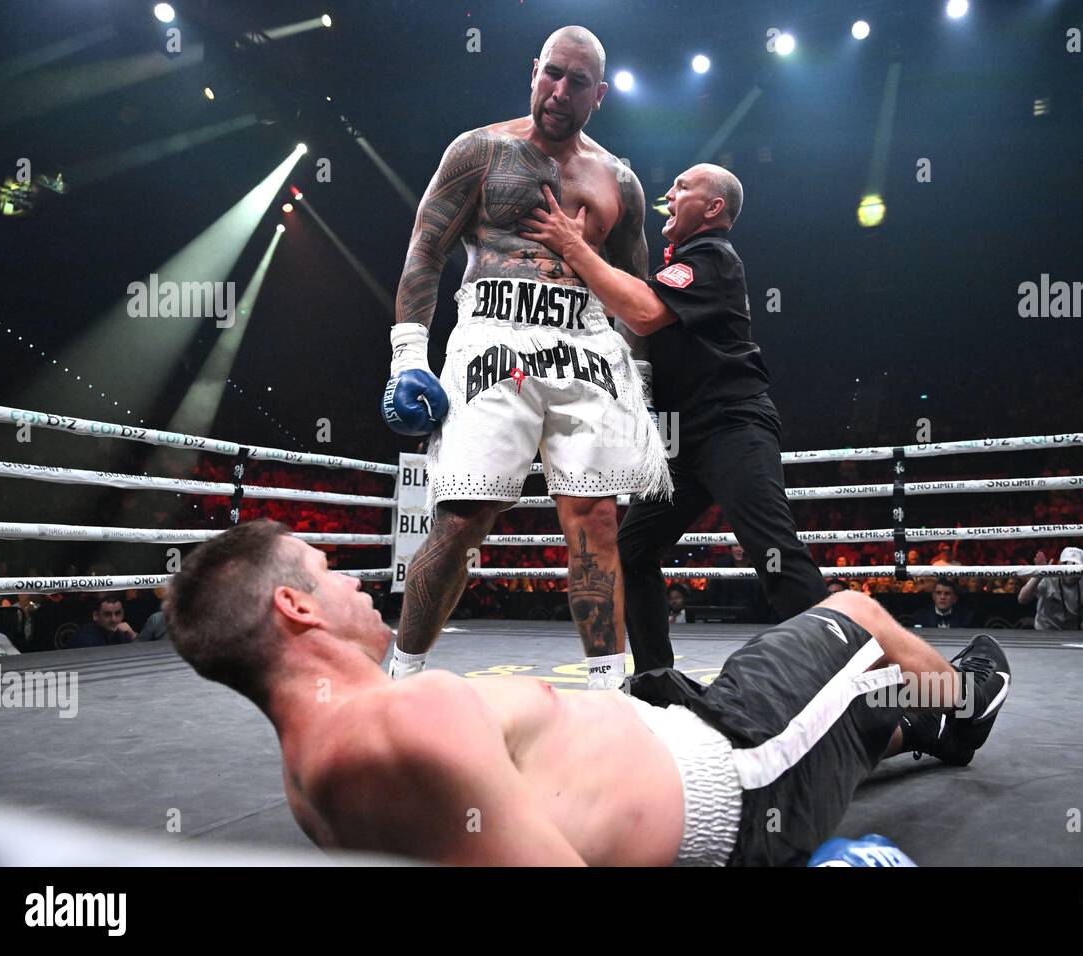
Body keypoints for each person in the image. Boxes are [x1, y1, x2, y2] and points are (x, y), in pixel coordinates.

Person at [164, 520, 1012, 867]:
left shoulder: (309, 782)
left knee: (854, 708)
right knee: (856, 615)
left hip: (692, 735)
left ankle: (923, 731)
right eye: (327, 570)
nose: (353, 581)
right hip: (744, 774)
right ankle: (966, 703)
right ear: (296, 607)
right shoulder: (407, 721)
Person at [381, 25, 669, 690]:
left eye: (577, 82)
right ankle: (402, 676)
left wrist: (639, 383)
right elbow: (426, 250)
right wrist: (408, 358)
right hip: (493, 334)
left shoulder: (619, 180)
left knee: (596, 518)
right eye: (552, 74)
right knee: (463, 517)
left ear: (599, 95)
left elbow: (634, 291)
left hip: (584, 346)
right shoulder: (479, 151)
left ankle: (607, 692)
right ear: (534, 72)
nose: (560, 91)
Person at [520, 163, 827, 672]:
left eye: (683, 187)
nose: (669, 193)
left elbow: (642, 313)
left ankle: (855, 676)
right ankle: (654, 678)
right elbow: (625, 304)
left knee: (774, 552)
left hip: (731, 426)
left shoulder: (712, 257)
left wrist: (574, 246)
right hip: (680, 441)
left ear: (714, 208)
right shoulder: (681, 265)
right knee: (633, 552)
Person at [1016, 547, 1083, 630]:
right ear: (1059, 563)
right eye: (1066, 563)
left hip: (1077, 631)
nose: (1070, 570)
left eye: (1075, 565)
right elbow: (1022, 599)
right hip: (1045, 630)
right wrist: (1039, 575)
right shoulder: (1046, 573)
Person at [69, 594, 137, 648]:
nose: (113, 619)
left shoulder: (122, 633)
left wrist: (133, 635)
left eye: (117, 613)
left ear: (123, 614)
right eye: (107, 614)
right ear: (96, 615)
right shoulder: (85, 638)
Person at [912, 580, 977, 629]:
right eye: (938, 593)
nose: (942, 597)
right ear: (933, 596)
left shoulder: (967, 617)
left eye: (947, 593)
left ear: (955, 599)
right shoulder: (920, 616)